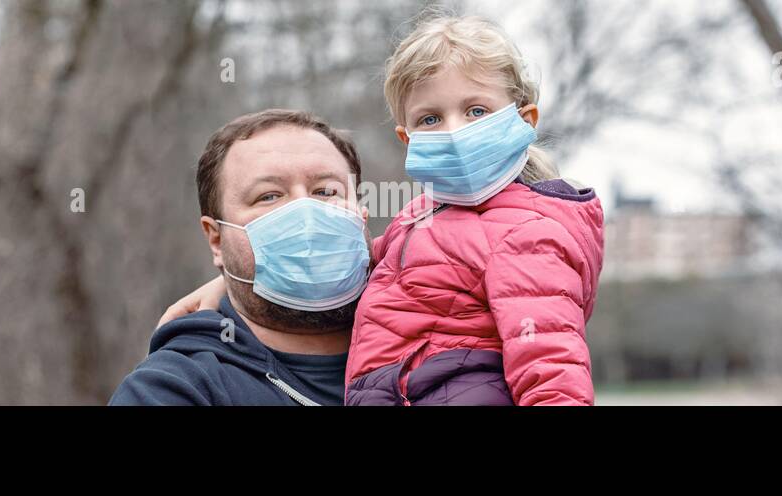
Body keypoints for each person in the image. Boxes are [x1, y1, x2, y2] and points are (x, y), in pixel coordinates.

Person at [160, 15, 605, 406]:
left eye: (476, 110)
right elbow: (359, 260)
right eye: (430, 119)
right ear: (407, 138)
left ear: (524, 121)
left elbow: (552, 366)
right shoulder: (419, 218)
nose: (453, 130)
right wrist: (232, 275)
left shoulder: (531, 232)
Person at [109, 109, 370, 406]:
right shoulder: (172, 389)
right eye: (269, 196)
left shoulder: (423, 332)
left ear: (362, 216)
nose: (306, 216)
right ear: (216, 239)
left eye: (326, 191)